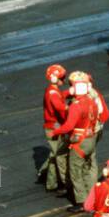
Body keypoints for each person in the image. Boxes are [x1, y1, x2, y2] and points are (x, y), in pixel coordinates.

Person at [51, 76, 99, 212]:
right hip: (91, 138)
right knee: (87, 168)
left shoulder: (76, 106)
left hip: (80, 141)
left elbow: (68, 126)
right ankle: (92, 196)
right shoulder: (92, 102)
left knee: (75, 170)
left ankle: (81, 201)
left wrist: (56, 132)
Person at [39, 63, 70, 197]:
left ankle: (51, 183)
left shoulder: (52, 90)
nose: (63, 80)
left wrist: (69, 92)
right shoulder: (53, 93)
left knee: (54, 154)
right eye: (62, 77)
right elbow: (60, 108)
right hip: (54, 127)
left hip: (52, 126)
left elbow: (59, 95)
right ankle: (62, 183)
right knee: (59, 154)